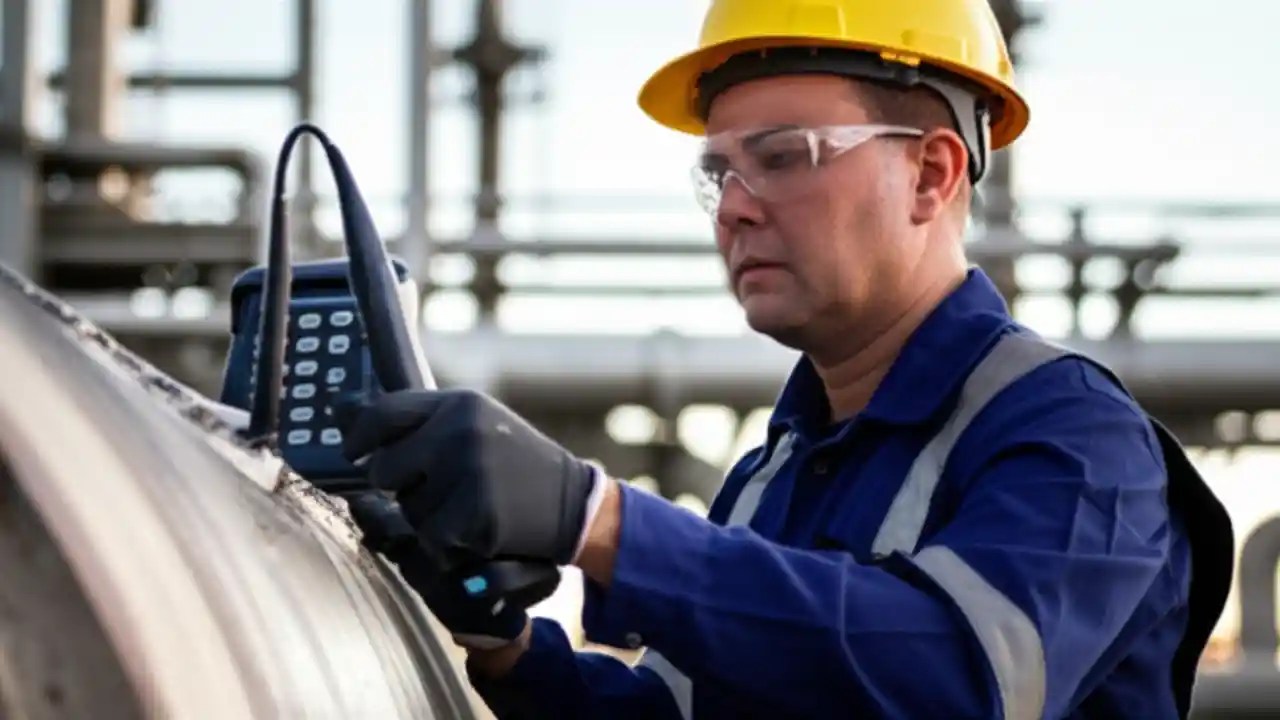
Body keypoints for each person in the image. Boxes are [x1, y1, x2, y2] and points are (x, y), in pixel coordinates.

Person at [336, 0, 1234, 717]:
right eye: (719, 173)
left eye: (784, 157)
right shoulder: (776, 472)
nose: (734, 208)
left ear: (932, 174)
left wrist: (600, 522)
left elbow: (958, 682)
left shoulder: (1078, 439)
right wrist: (509, 648)